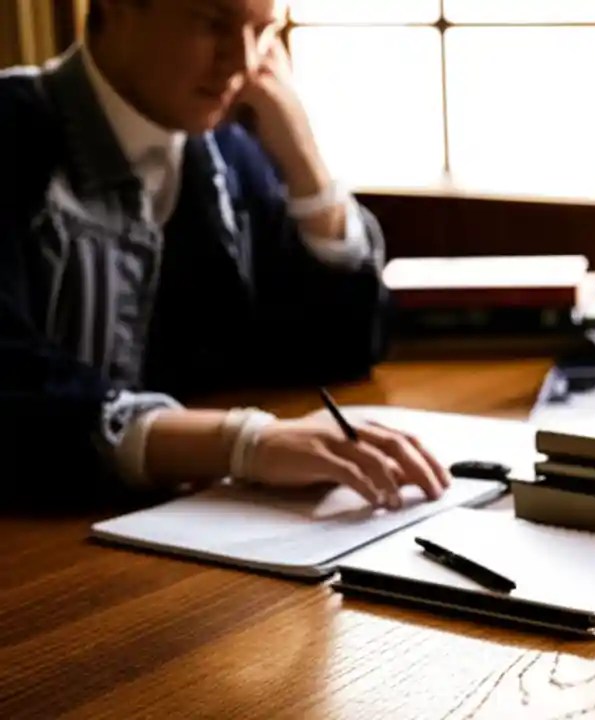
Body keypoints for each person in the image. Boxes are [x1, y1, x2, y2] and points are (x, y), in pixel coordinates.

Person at [0, 0, 450, 509]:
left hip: (193, 523)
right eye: (213, 24)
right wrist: (242, 442)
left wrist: (303, 157)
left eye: (263, 31)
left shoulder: (228, 145)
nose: (241, 60)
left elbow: (337, 348)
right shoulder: (15, 132)